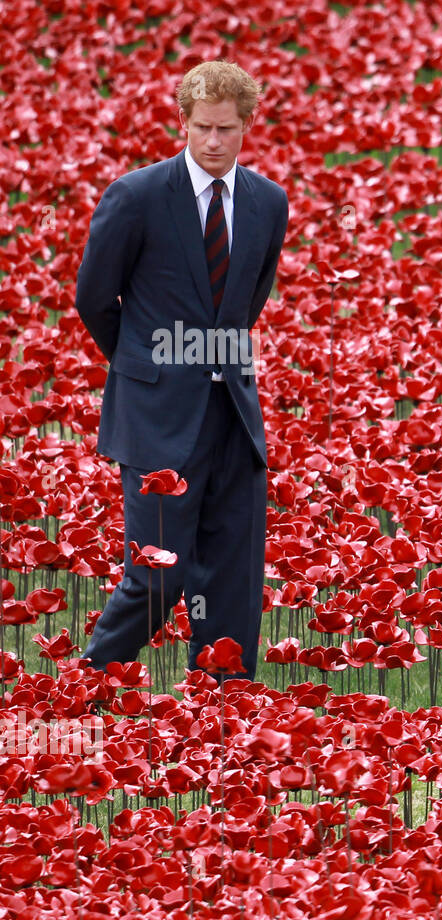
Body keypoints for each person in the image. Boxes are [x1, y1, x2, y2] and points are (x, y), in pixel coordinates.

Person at [75, 60, 288, 682]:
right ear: (183, 123)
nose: (214, 141)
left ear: (247, 125)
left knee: (232, 578)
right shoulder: (137, 197)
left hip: (233, 417)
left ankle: (227, 713)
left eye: (226, 128)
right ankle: (91, 681)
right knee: (158, 572)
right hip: (156, 421)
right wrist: (147, 366)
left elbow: (248, 303)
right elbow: (94, 298)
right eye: (201, 128)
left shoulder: (267, 202)